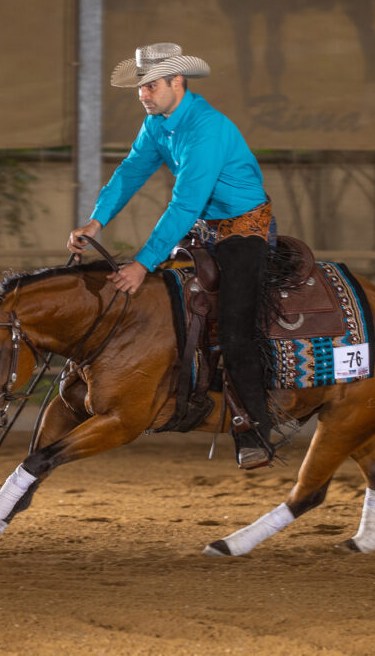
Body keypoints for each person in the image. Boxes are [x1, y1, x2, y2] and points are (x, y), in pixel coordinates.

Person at [68, 42, 276, 469]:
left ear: (177, 82)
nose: (142, 94)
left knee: (236, 327)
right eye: (139, 88)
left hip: (243, 230)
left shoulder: (207, 129)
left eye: (150, 86)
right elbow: (130, 171)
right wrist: (96, 222)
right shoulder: (157, 124)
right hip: (204, 228)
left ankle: (256, 428)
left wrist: (143, 263)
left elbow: (184, 204)